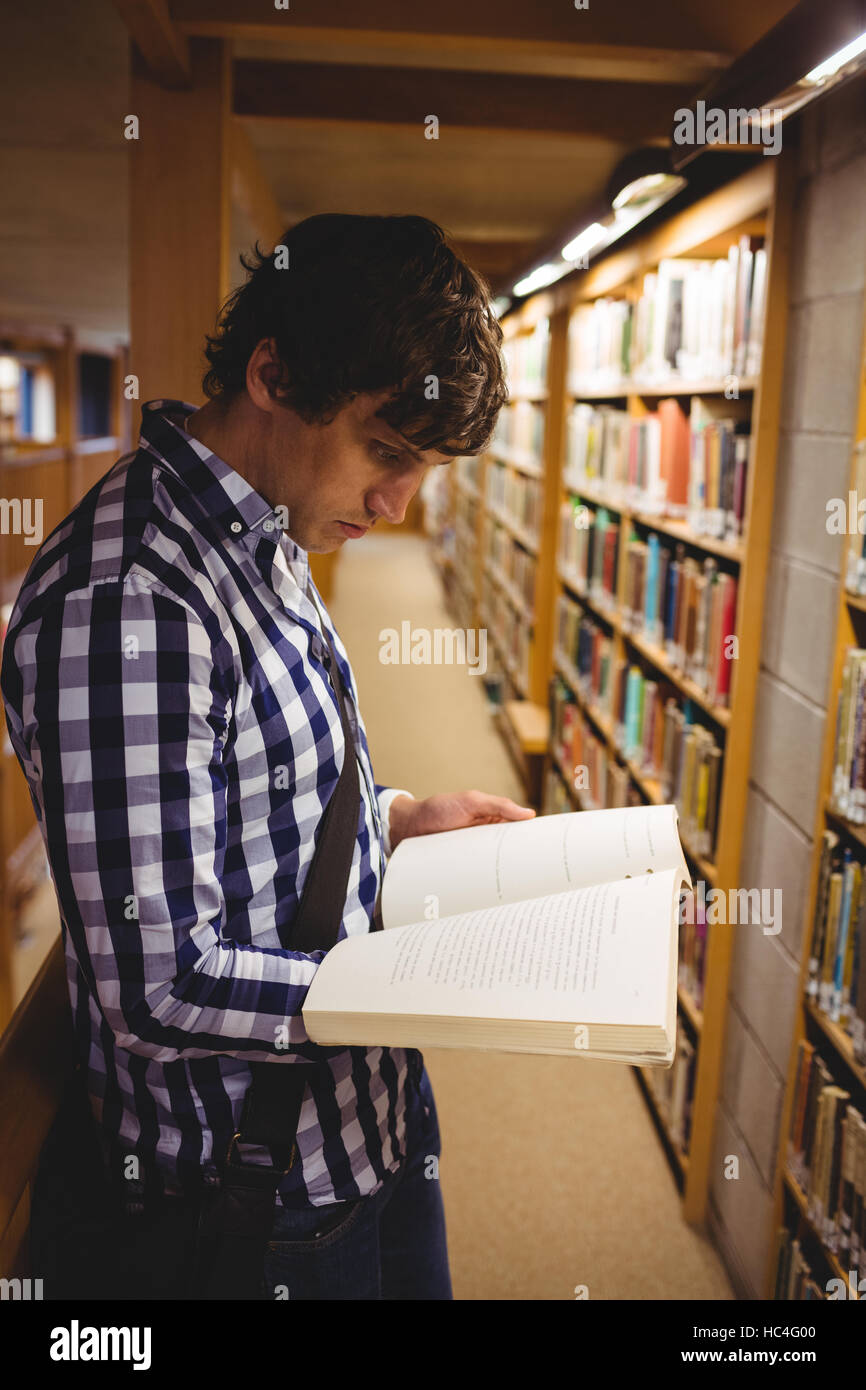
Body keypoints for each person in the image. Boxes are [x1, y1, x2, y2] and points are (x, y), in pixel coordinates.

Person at [0, 212, 534, 1300]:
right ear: (273, 375)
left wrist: (390, 816)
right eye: (386, 454)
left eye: (421, 468)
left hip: (368, 1122)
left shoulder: (268, 529)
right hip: (263, 1193)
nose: (397, 506)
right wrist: (409, 985)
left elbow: (268, 787)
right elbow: (160, 982)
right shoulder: (129, 605)